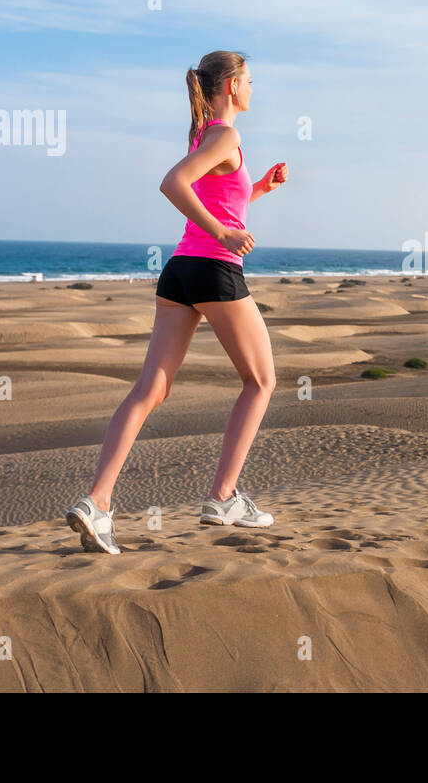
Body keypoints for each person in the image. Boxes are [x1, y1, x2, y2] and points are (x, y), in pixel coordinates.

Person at [66, 50, 288, 554]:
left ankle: (97, 504)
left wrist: (259, 189)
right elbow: (174, 185)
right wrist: (224, 234)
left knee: (149, 390)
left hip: (180, 274)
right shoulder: (225, 135)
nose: (255, 88)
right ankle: (223, 497)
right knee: (262, 381)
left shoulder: (204, 135)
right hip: (213, 269)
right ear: (230, 86)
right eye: (250, 80)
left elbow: (217, 197)